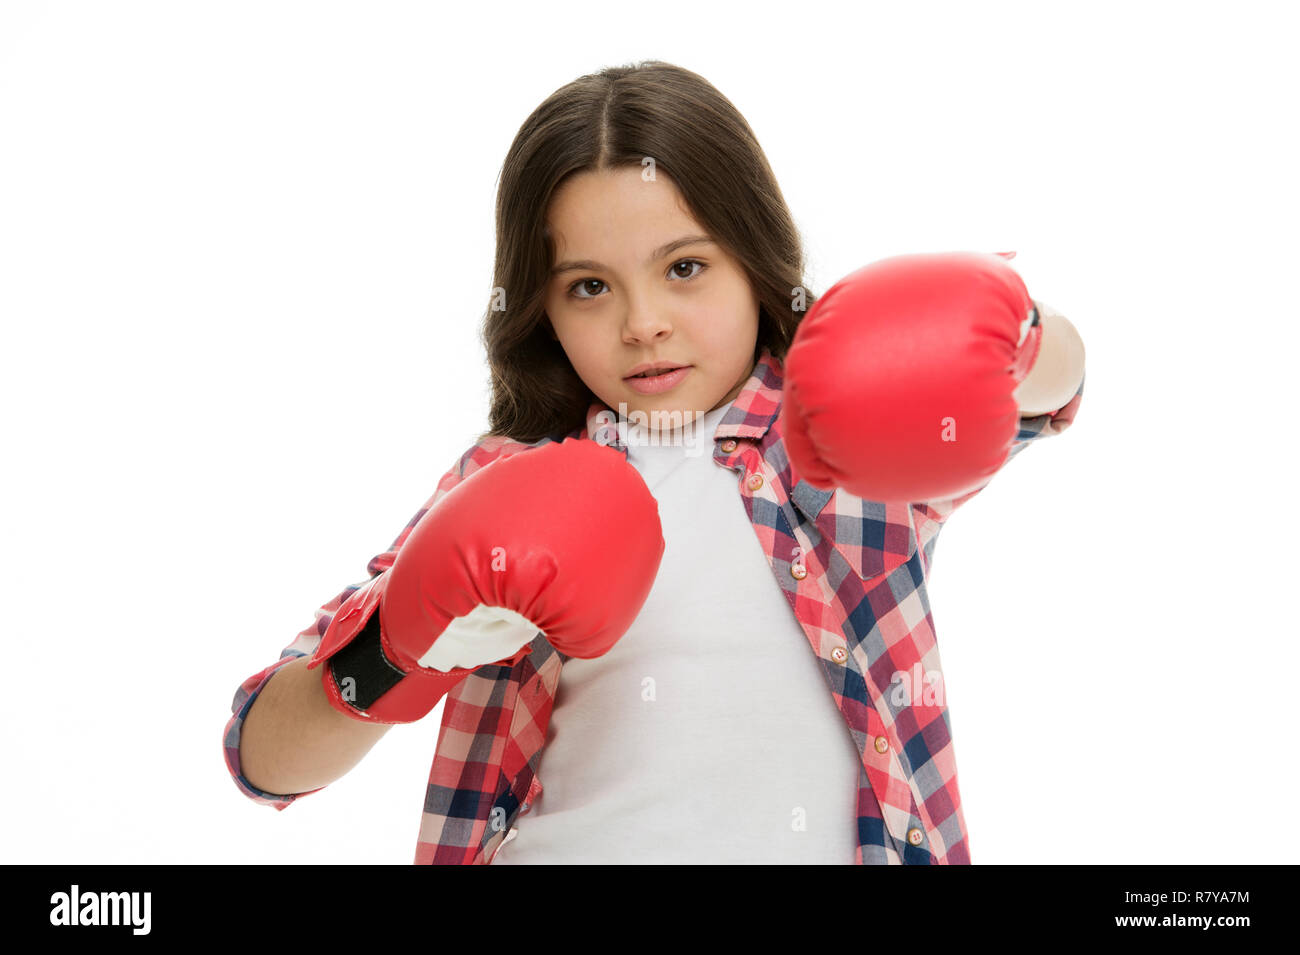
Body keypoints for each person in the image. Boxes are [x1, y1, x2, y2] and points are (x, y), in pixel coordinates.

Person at [223, 59, 1086, 864]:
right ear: (542, 307)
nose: (643, 323)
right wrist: (394, 649)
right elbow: (261, 757)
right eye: (589, 286)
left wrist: (1013, 333)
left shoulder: (839, 445)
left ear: (754, 259)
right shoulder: (505, 477)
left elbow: (1051, 394)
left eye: (684, 267)